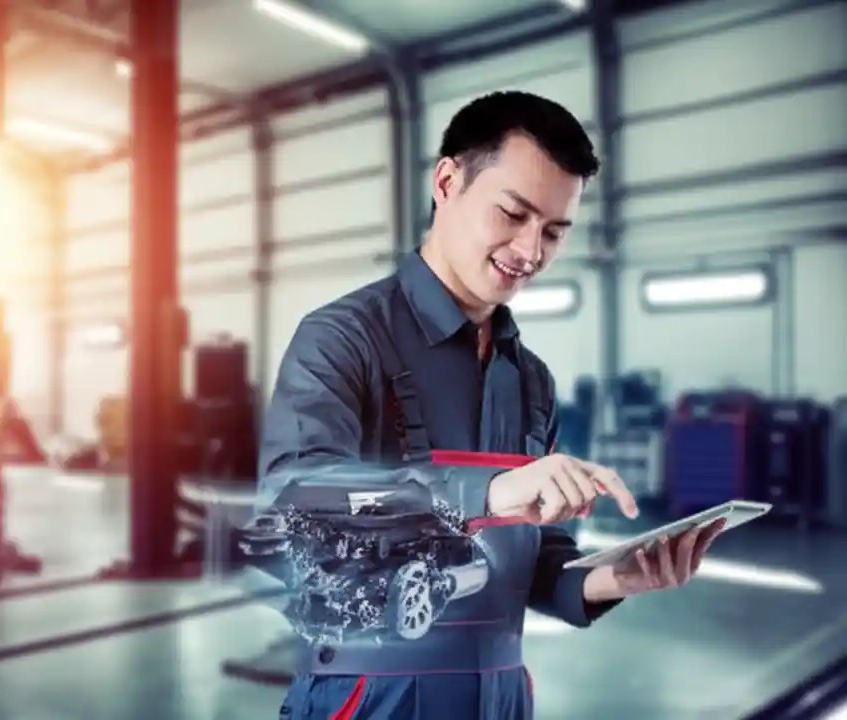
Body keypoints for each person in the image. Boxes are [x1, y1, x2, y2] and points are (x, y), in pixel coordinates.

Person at [257, 90, 727, 719]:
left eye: (554, 231)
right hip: (369, 698)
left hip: (500, 698)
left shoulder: (531, 381)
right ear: (448, 182)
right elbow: (297, 498)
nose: (531, 251)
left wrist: (616, 576)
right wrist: (492, 491)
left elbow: (539, 560)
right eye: (513, 213)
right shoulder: (343, 339)